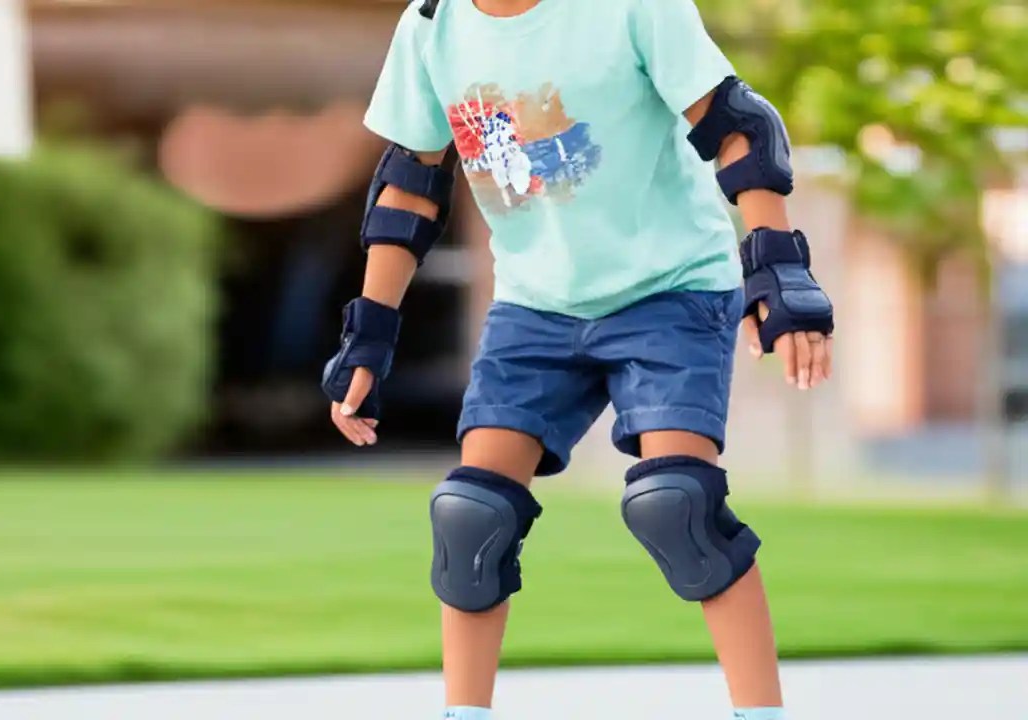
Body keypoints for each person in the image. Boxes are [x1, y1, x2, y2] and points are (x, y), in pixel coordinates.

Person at [321, 1, 835, 718]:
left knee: (678, 504)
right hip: (535, 304)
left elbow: (741, 126)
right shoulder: (430, 27)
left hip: (671, 289)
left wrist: (776, 269)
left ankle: (761, 713)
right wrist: (370, 335)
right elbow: (407, 187)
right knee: (471, 515)